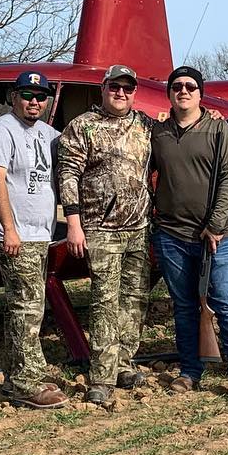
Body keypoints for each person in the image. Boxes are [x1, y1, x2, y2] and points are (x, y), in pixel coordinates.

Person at [148, 66, 228, 400]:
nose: (184, 91)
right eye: (177, 86)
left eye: (191, 86)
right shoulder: (157, 133)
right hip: (171, 234)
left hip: (216, 237)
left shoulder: (219, 129)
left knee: (226, 304)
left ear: (200, 94)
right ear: (169, 93)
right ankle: (189, 371)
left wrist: (216, 224)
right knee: (183, 306)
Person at [57, 64, 153, 408]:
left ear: (135, 92)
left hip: (139, 228)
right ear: (104, 88)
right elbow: (68, 173)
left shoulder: (145, 125)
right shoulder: (83, 126)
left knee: (134, 300)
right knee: (104, 303)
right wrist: (73, 221)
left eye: (128, 88)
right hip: (101, 229)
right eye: (115, 87)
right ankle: (101, 377)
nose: (121, 93)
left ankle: (124, 364)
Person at [0, 71, 64, 409]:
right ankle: (28, 383)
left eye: (41, 96)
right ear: (14, 97)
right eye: (27, 95)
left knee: (22, 304)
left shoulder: (48, 134)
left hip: (39, 234)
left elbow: (76, 146)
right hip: (14, 235)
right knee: (29, 306)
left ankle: (16, 375)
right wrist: (9, 229)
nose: (34, 101)